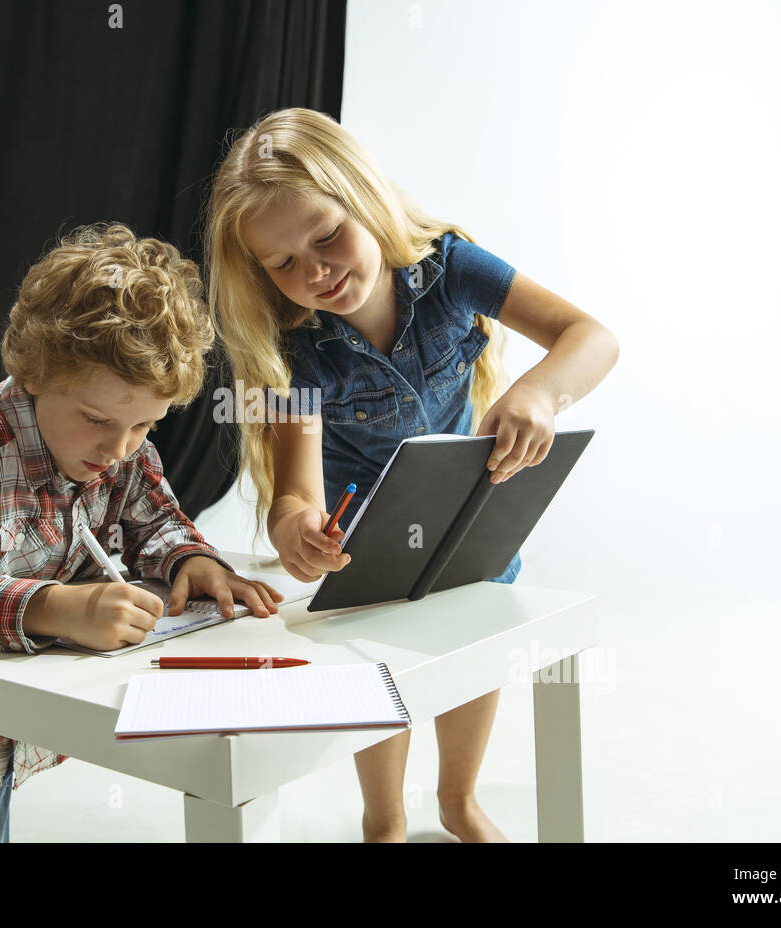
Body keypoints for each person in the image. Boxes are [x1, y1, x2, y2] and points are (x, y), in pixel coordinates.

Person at [203, 107, 619, 842]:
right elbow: (296, 491)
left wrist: (539, 392)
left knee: (472, 644)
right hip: (367, 541)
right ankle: (385, 818)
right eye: (283, 264)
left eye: (327, 236)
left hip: (470, 511)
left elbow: (591, 337)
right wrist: (297, 527)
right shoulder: (295, 347)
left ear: (365, 196)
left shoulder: (452, 268)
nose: (316, 271)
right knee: (377, 669)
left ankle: (459, 803)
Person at [0, 222, 284, 842]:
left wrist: (188, 558)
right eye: (96, 418)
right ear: (34, 372)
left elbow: (157, 521)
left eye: (144, 426)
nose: (118, 448)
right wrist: (53, 607)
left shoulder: (121, 451)